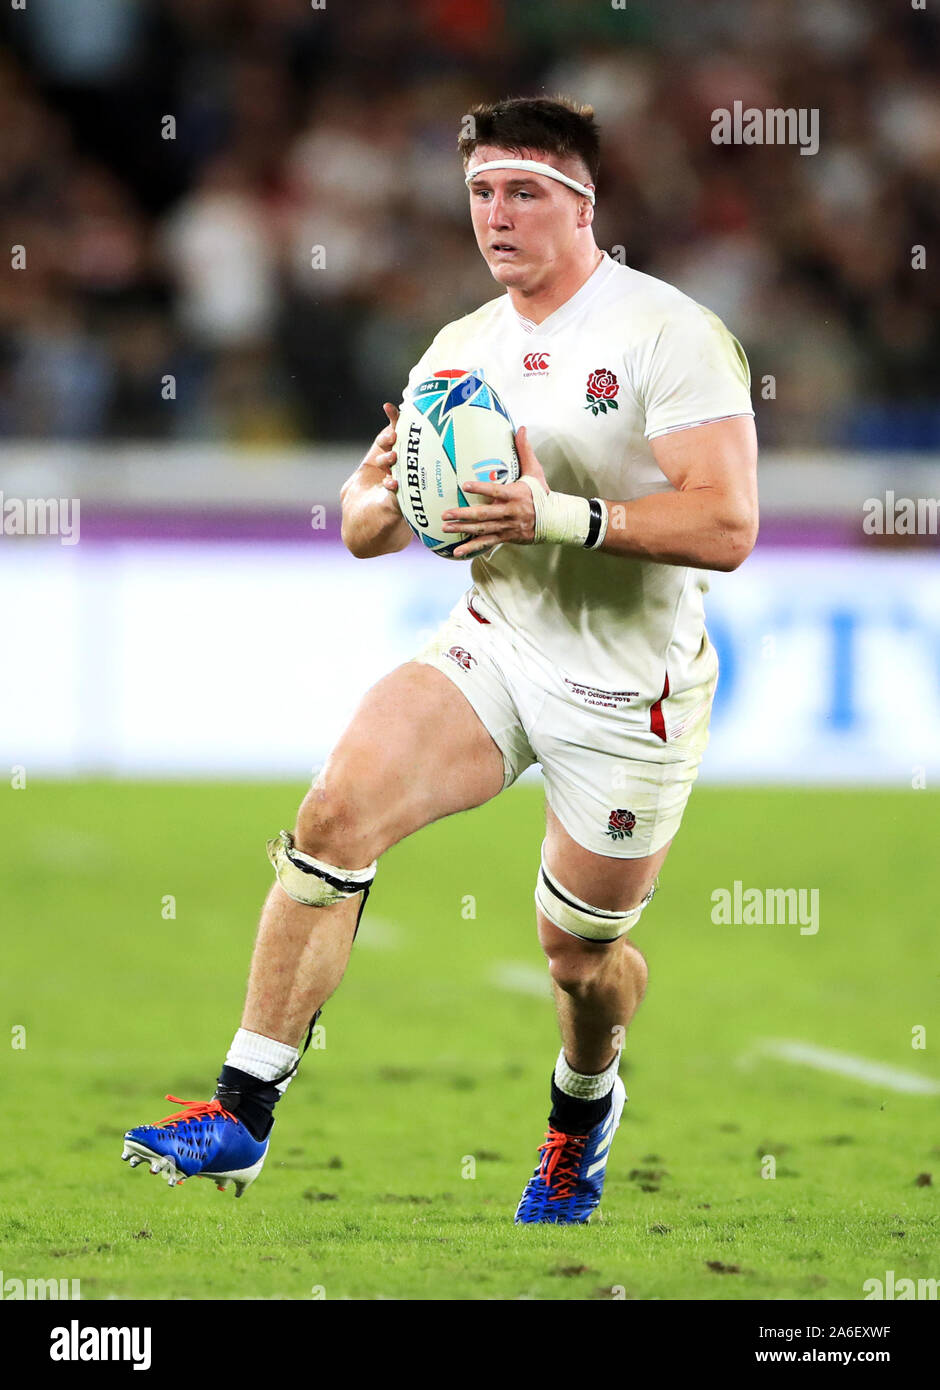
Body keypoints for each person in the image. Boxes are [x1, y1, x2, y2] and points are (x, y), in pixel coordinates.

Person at [122, 96, 758, 1224]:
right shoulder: (459, 349)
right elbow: (372, 524)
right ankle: (240, 1112)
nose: (495, 216)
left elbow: (727, 526)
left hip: (627, 698)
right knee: (332, 819)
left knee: (580, 961)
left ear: (581, 204)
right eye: (479, 193)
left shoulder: (668, 334)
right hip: (493, 644)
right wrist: (375, 488)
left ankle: (582, 1108)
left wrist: (547, 515)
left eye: (522, 193)